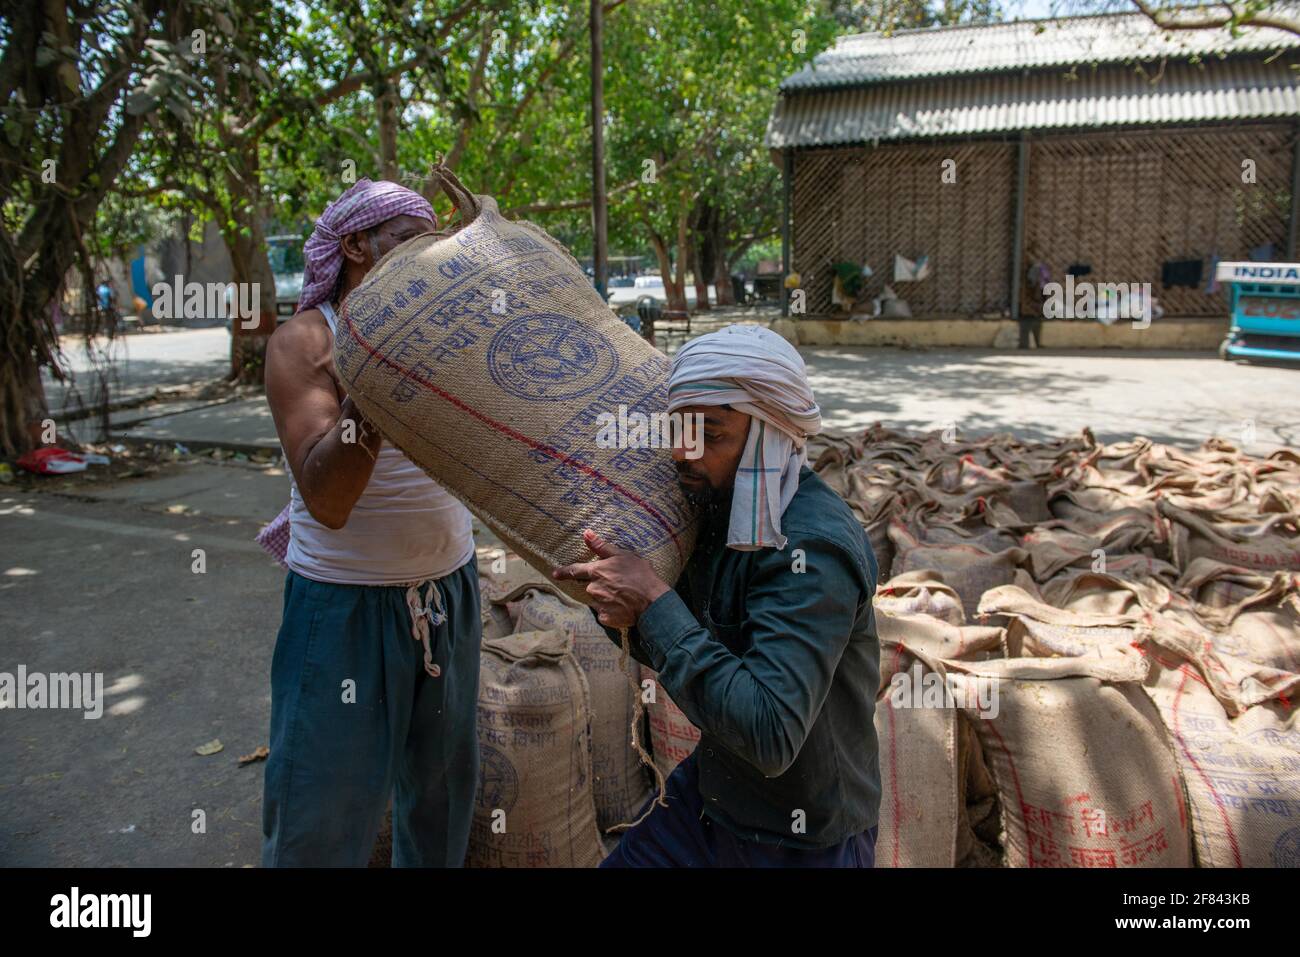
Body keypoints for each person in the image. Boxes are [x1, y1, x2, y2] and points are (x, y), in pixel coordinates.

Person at [554, 324, 881, 867]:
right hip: (713, 797)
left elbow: (771, 733)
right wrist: (619, 608)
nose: (683, 452)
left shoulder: (810, 549)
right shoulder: (718, 507)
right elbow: (679, 645)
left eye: (710, 432)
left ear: (771, 433)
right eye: (679, 428)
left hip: (802, 838)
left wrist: (654, 607)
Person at [260, 178, 481, 867]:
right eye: (410, 243)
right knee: (319, 823)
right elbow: (327, 500)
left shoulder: (448, 332)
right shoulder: (303, 344)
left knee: (441, 809)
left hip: (451, 596)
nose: (428, 261)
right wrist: (380, 368)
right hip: (343, 609)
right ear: (356, 245)